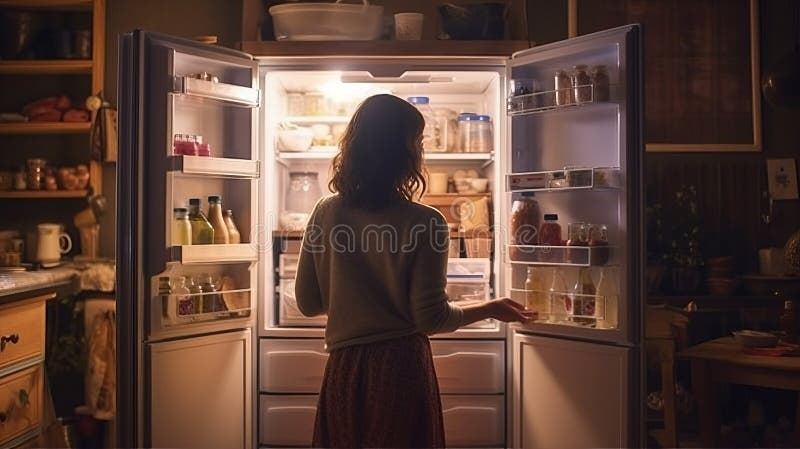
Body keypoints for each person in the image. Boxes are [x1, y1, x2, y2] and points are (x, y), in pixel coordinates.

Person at [295, 94, 534, 448]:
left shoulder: (326, 211)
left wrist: (353, 298)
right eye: (418, 141)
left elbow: (308, 302)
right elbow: (430, 318)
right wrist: (491, 308)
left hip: (344, 369)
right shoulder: (427, 222)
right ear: (404, 152)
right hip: (399, 369)